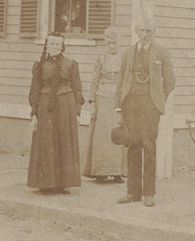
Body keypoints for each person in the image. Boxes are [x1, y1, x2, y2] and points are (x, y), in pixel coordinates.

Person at [115, 21, 175, 207]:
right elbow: (121, 81)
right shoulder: (128, 53)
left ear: (154, 32)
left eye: (149, 30)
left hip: (150, 107)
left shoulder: (161, 52)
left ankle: (149, 193)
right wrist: (119, 108)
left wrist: (158, 100)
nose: (145, 34)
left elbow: (170, 80)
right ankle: (133, 192)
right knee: (132, 146)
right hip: (130, 105)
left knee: (149, 146)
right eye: (142, 30)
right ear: (136, 31)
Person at [27, 32, 84, 194]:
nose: (55, 47)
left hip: (66, 106)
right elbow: (35, 89)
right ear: (47, 45)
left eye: (58, 44)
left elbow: (77, 88)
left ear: (62, 46)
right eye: (52, 44)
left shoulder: (70, 64)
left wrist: (77, 112)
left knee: (64, 141)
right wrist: (34, 113)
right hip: (45, 106)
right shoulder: (40, 65)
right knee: (46, 141)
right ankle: (46, 183)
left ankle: (63, 183)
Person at [83, 26, 126, 182]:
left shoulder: (125, 58)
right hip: (102, 99)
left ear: (119, 42)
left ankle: (117, 172)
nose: (112, 46)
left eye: (114, 43)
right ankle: (100, 172)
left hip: (119, 100)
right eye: (109, 43)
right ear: (105, 43)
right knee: (102, 136)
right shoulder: (101, 58)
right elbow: (94, 81)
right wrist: (92, 103)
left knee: (119, 134)